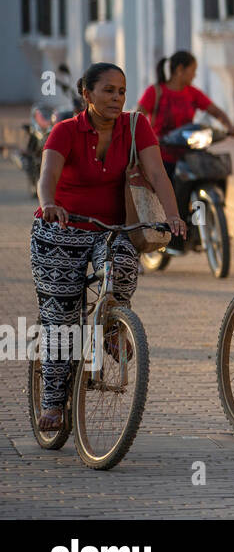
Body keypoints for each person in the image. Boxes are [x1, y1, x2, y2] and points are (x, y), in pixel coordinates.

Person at [31, 62, 187, 432]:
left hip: (111, 229)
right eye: (108, 91)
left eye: (122, 90)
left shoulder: (136, 126)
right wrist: (50, 203)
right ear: (87, 94)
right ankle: (53, 403)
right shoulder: (65, 131)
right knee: (61, 320)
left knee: (124, 266)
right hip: (61, 230)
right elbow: (46, 178)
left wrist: (173, 215)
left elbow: (157, 173)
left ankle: (114, 326)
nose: (117, 98)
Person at [137, 50, 234, 180]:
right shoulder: (155, 92)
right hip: (161, 155)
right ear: (180, 70)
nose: (194, 75)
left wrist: (230, 126)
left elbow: (216, 112)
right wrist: (148, 138)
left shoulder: (192, 93)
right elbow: (137, 119)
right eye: (193, 71)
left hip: (188, 153)